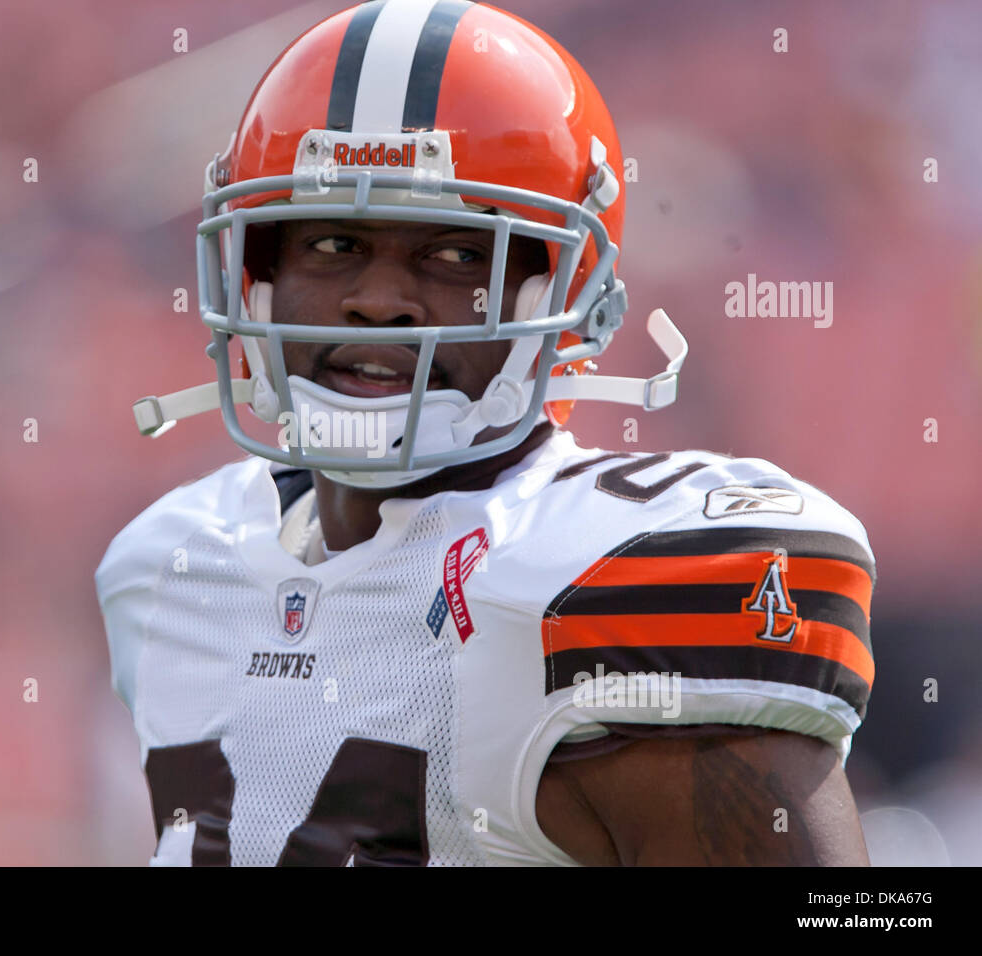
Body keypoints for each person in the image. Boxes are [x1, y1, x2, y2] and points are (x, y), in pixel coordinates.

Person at [96, 0, 875, 866]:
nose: (378, 299)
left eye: (458, 255)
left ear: (564, 299)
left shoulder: (588, 593)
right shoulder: (172, 569)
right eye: (330, 242)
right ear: (256, 278)